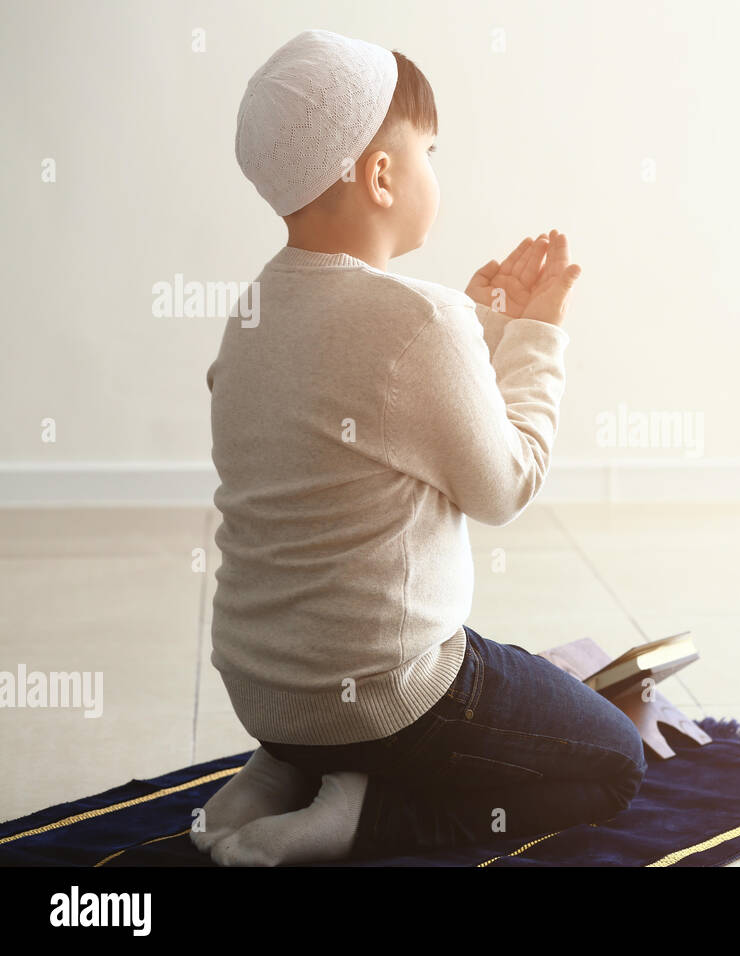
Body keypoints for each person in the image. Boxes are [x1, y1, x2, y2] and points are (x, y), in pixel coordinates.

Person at [193, 29, 646, 866]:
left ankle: (289, 766)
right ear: (381, 174)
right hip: (383, 700)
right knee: (615, 760)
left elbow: (364, 405)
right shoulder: (419, 323)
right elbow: (506, 485)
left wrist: (481, 325)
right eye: (429, 150)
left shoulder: (253, 311)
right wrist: (536, 335)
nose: (436, 169)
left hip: (262, 686)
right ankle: (360, 817)